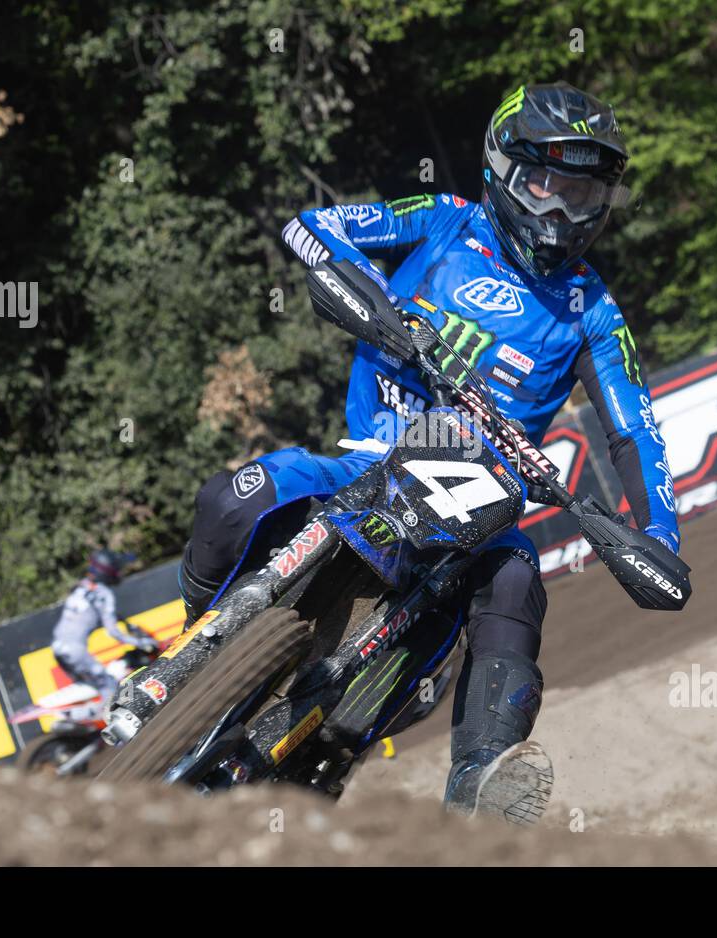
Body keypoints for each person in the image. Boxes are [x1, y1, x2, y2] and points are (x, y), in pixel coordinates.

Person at [179, 82, 680, 821]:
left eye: (583, 193)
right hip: (365, 460)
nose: (563, 210)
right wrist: (385, 317)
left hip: (475, 519)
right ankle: (189, 645)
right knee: (235, 495)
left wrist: (662, 536)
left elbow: (635, 427)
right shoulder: (442, 221)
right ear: (504, 170)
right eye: (548, 184)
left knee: (516, 577)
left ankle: (479, 786)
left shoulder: (593, 311)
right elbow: (313, 228)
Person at [51, 549, 157, 701]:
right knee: (113, 691)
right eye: (117, 569)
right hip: (76, 651)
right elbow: (113, 631)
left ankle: (92, 719)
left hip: (58, 649)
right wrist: (142, 643)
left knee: (94, 689)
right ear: (107, 571)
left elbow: (88, 616)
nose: (119, 572)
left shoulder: (81, 586)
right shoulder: (104, 593)